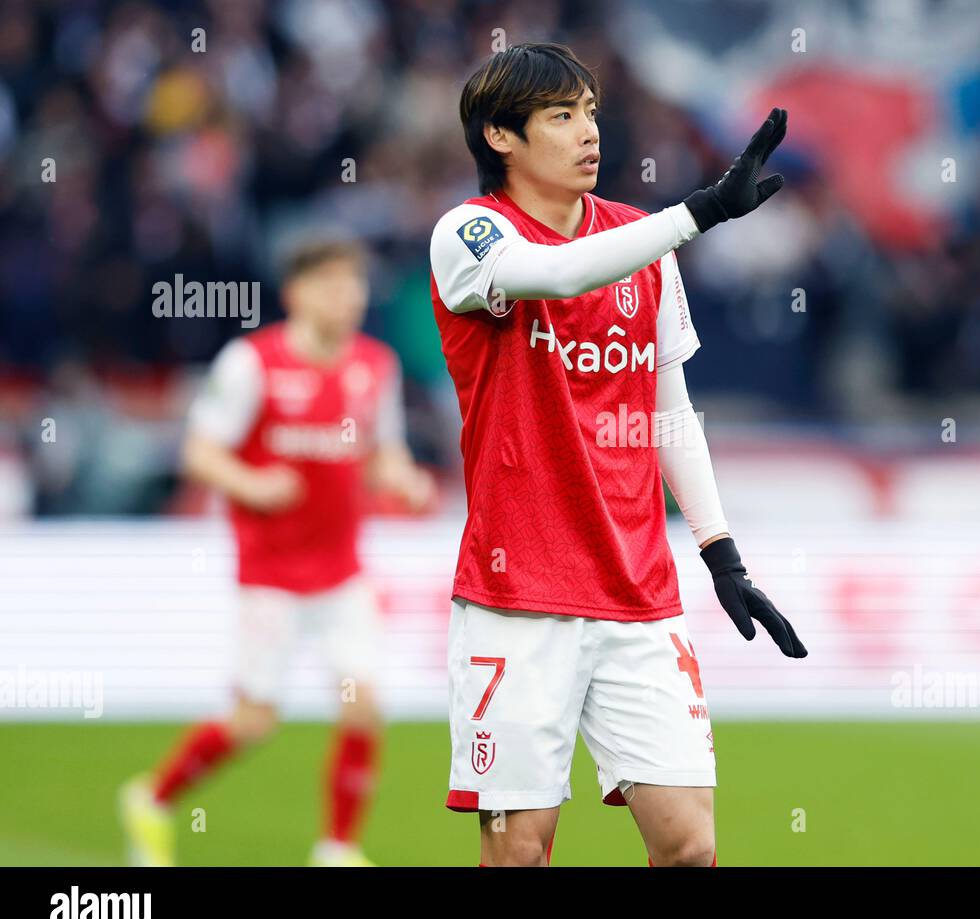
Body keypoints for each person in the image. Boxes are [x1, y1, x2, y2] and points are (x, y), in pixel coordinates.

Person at [428, 42, 804, 867]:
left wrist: (720, 550)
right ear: (501, 135)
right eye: (561, 116)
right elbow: (555, 276)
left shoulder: (641, 243)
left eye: (591, 112)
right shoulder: (470, 235)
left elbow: (668, 406)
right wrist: (701, 211)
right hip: (516, 598)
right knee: (519, 854)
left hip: (638, 593)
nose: (588, 132)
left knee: (691, 849)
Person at [119, 238, 434, 866]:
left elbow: (380, 454)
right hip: (270, 574)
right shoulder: (251, 363)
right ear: (295, 293)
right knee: (255, 720)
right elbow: (199, 453)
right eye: (331, 285)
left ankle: (337, 848)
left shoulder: (375, 366)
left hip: (342, 572)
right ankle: (152, 796)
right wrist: (253, 483)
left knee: (363, 706)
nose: (346, 298)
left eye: (354, 286)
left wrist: (402, 476)